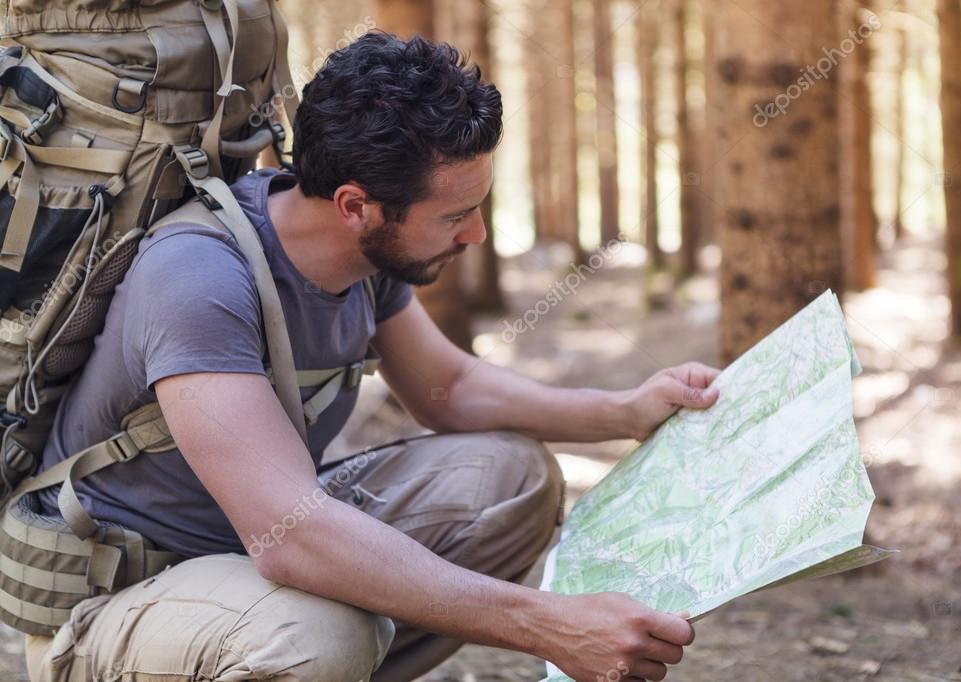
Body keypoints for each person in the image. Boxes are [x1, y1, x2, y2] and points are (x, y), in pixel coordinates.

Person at [24, 32, 720, 682]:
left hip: (247, 562)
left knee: (509, 476)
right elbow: (288, 536)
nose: (476, 233)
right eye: (453, 216)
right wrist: (547, 626)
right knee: (316, 634)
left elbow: (447, 389)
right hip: (116, 602)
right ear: (357, 205)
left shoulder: (370, 253)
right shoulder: (199, 276)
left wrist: (624, 412)